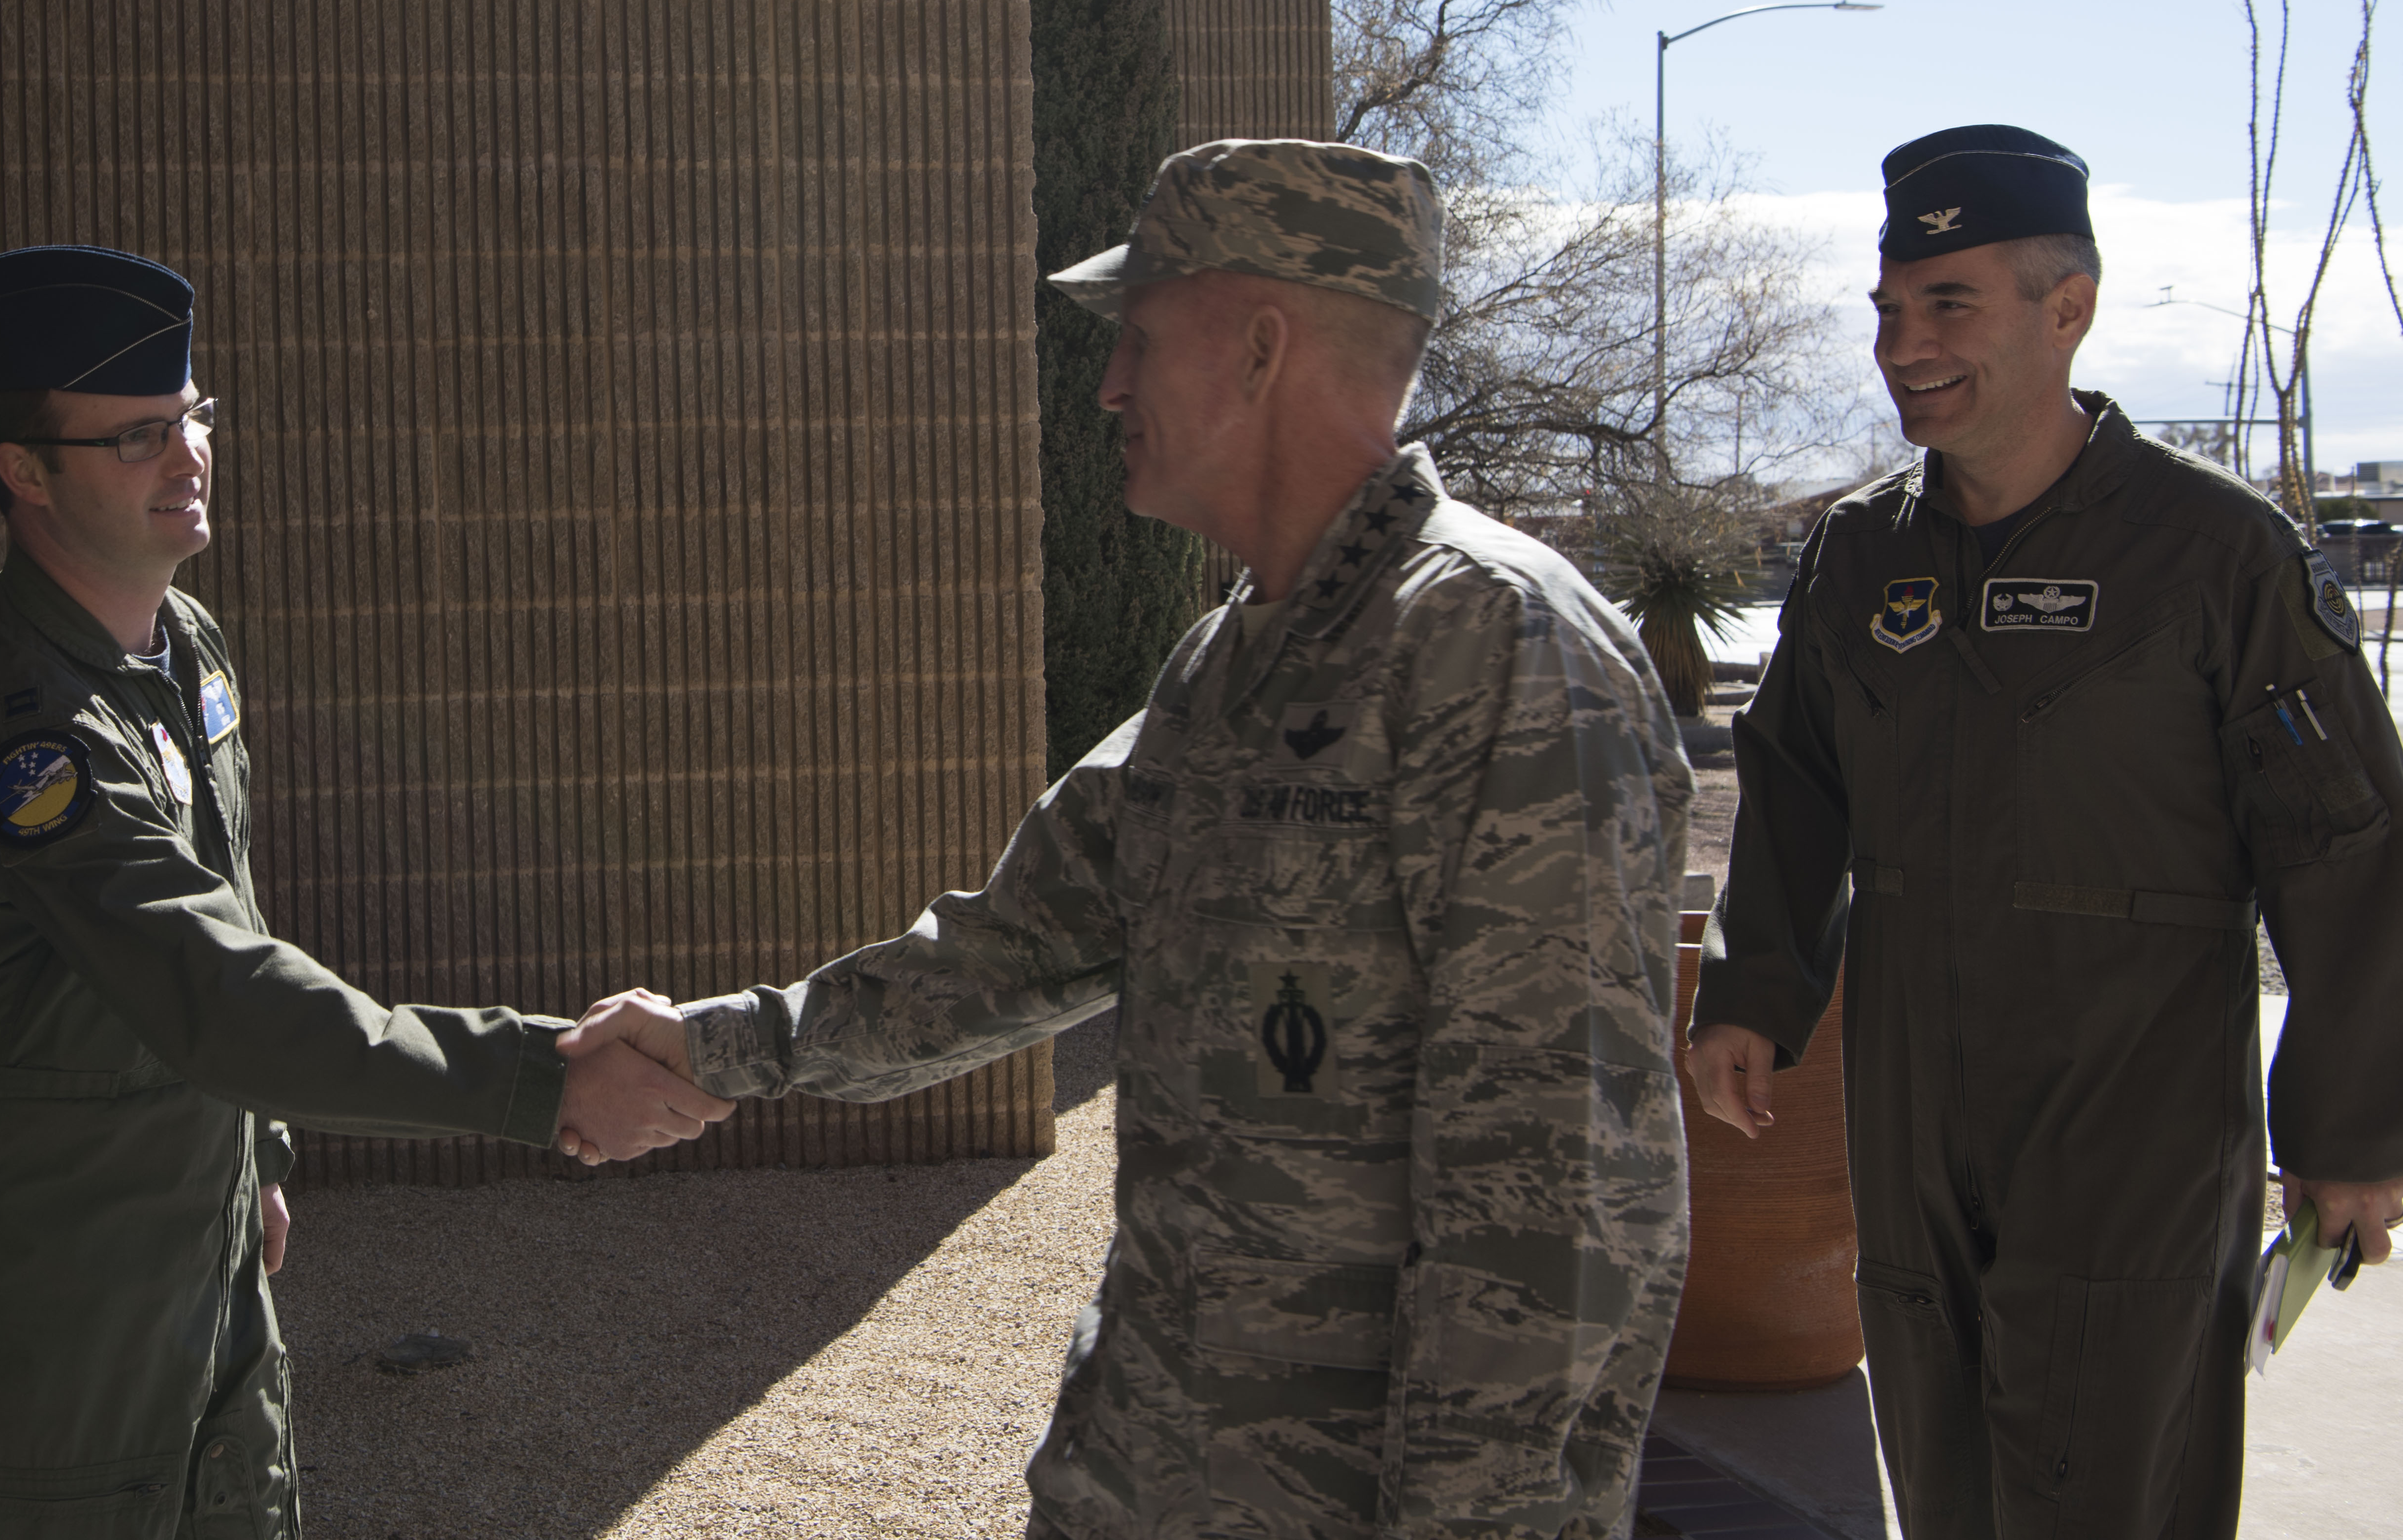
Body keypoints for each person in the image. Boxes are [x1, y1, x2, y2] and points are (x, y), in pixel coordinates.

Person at [560, 140, 1695, 1540]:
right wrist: (721, 1042)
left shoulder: (1498, 648)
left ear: (1262, 347)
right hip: (1144, 1472)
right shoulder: (1224, 666)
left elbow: (1564, 1198)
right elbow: (1009, 951)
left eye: (1141, 339)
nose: (1107, 384)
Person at [0, 245, 734, 1539]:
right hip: (55, 1310)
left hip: (199, 1268)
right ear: (23, 471)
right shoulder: (31, 736)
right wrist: (538, 1077)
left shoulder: (186, 645)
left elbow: (233, 917)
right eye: (138, 436)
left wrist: (258, 1151)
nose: (189, 456)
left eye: (194, 415)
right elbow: (220, 994)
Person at [1684, 125, 2403, 1540]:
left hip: (2124, 1107)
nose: (1904, 345)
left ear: (2065, 307)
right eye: (1889, 310)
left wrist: (2349, 1130)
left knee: (2100, 1488)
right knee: (1944, 1481)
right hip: (1908, 1107)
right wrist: (1752, 991)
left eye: (1948, 304)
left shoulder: (2210, 553)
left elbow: (2348, 848)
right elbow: (1793, 776)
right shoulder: (1859, 551)